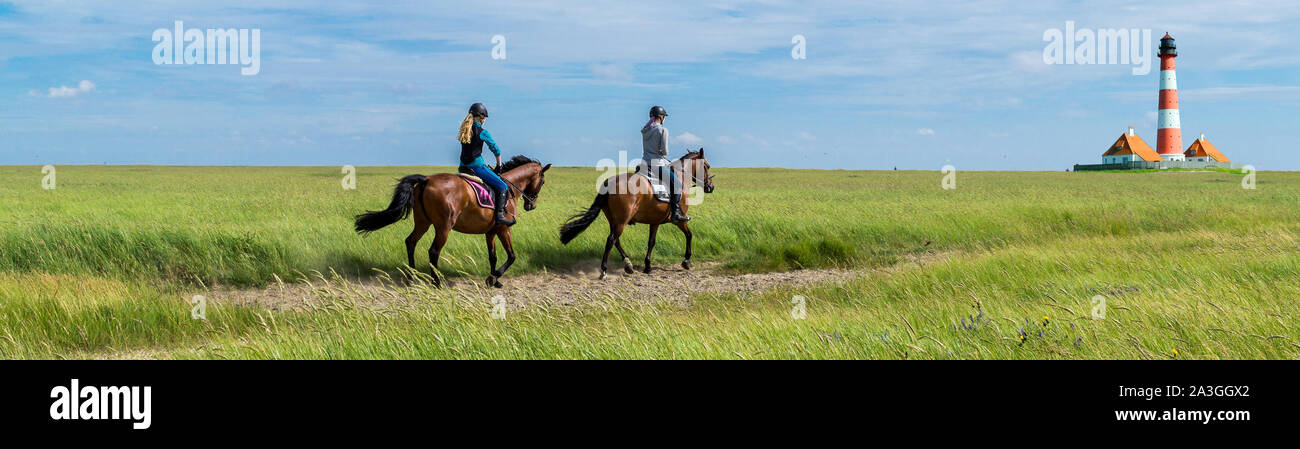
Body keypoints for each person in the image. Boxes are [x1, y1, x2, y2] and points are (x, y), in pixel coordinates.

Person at [458, 102, 513, 226]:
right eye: (484, 119)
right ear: (482, 117)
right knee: (502, 186)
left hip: (462, 167)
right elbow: (496, 150)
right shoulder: (482, 132)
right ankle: (499, 216)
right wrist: (499, 165)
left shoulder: (464, 130)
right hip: (477, 167)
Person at [641, 105, 689, 222]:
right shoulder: (663, 130)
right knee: (677, 185)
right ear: (662, 117)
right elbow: (664, 151)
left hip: (643, 165)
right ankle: (675, 215)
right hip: (657, 165)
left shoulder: (645, 131)